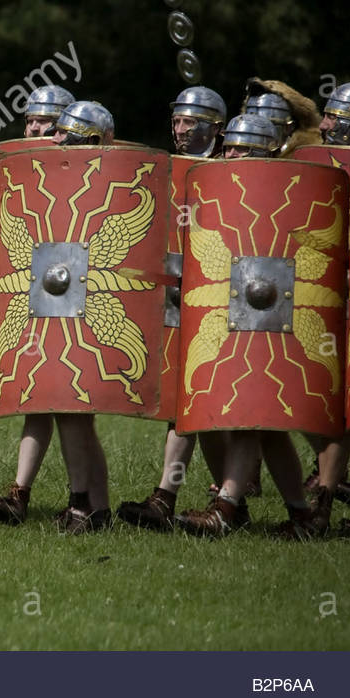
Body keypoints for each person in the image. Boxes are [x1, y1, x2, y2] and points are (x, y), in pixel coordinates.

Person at [176, 113, 328, 538]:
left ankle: (226, 507)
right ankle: (302, 517)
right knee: (268, 426)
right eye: (229, 148)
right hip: (239, 311)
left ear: (265, 152)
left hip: (279, 314)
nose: (231, 155)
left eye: (242, 150)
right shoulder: (223, 190)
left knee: (250, 416)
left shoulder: (288, 192)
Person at [117, 86, 231, 530]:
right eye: (178, 121)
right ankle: (229, 498)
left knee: (196, 401)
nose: (181, 130)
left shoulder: (229, 176)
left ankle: (170, 496)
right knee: (192, 403)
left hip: (222, 299)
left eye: (191, 122)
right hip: (172, 296)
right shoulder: (165, 170)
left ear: (215, 128)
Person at [0, 84, 77, 525]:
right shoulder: (20, 174)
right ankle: (22, 492)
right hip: (34, 292)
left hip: (79, 295)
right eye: (31, 121)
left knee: (75, 406)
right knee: (40, 395)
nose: (35, 128)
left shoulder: (85, 174)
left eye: (45, 122)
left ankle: (87, 501)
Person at [47, 100, 117, 534]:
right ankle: (99, 508)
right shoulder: (55, 178)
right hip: (56, 297)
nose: (54, 140)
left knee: (72, 405)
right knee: (71, 410)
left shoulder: (109, 182)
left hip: (92, 303)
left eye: (65, 134)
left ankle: (81, 503)